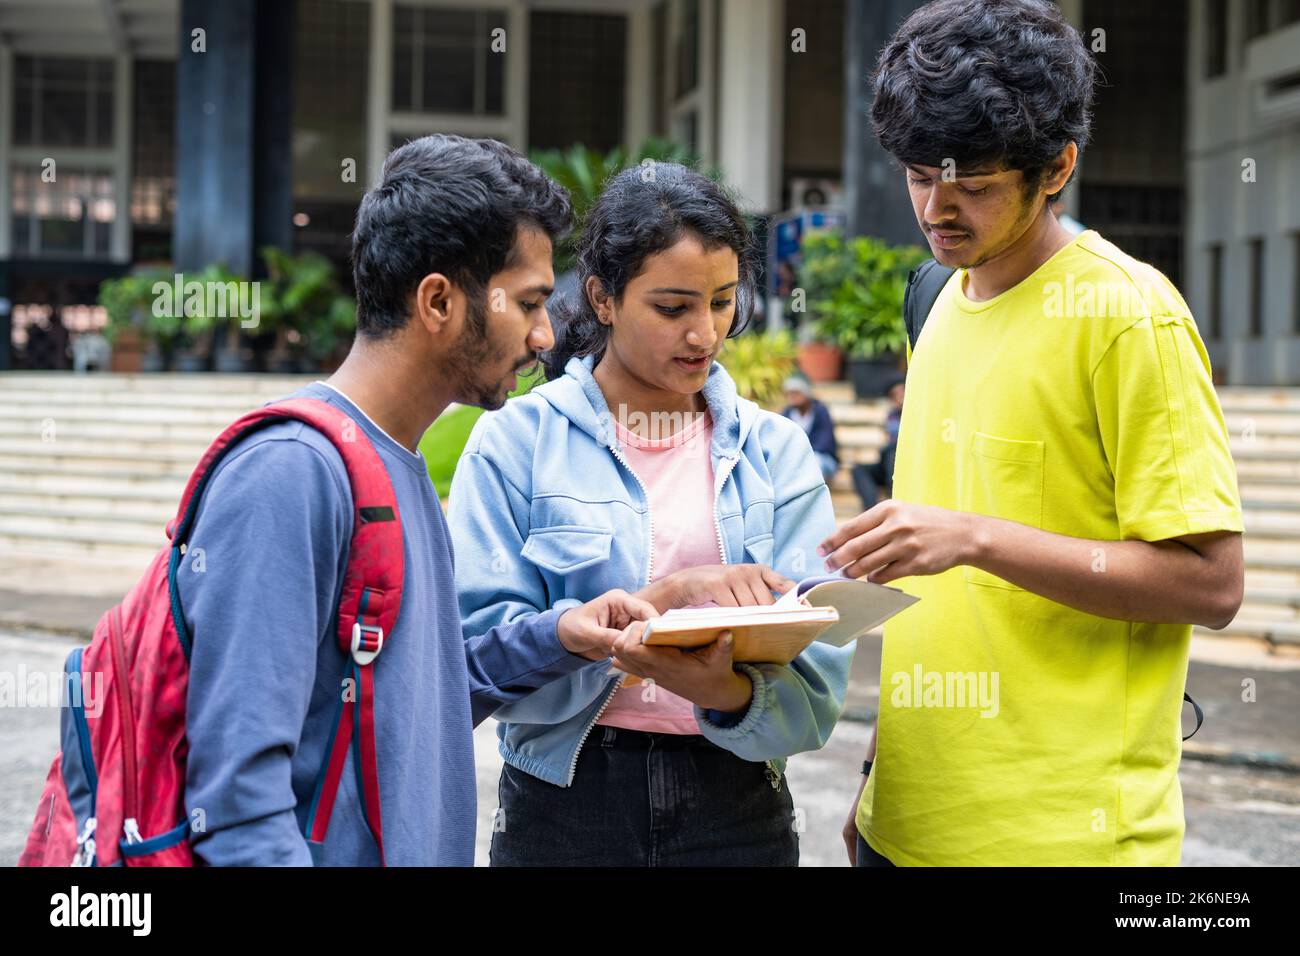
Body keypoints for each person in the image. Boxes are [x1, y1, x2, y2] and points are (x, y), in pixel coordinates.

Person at [827, 0, 1243, 867]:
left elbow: (1211, 584)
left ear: (1057, 169)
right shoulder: (937, 301)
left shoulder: (1130, 318)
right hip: (907, 823)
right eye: (917, 176)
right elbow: (938, 597)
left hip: (1063, 841)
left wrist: (974, 538)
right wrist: (878, 773)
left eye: (973, 186)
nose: (937, 209)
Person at [180, 134, 658, 866]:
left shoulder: (397, 463)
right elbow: (237, 799)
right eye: (528, 303)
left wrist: (561, 634)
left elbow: (420, 703)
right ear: (438, 300)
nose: (544, 335)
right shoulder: (290, 474)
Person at [448, 162, 855, 866]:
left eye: (723, 302)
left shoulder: (777, 452)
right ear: (603, 298)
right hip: (567, 805)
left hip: (737, 805)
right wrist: (615, 626)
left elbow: (817, 687)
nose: (705, 333)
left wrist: (724, 693)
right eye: (673, 308)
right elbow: (471, 661)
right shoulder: (517, 443)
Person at [850, 376, 904, 508]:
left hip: (908, 464)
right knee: (859, 470)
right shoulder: (892, 415)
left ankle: (896, 503)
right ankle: (871, 510)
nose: (899, 397)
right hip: (889, 464)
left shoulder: (920, 413)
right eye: (894, 394)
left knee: (893, 452)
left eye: (902, 391)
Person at [781, 373, 839, 483]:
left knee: (815, 463)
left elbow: (825, 443)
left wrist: (801, 456)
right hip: (794, 462)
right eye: (789, 393)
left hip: (823, 460)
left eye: (796, 393)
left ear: (806, 393)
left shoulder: (821, 412)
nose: (792, 397)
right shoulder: (785, 415)